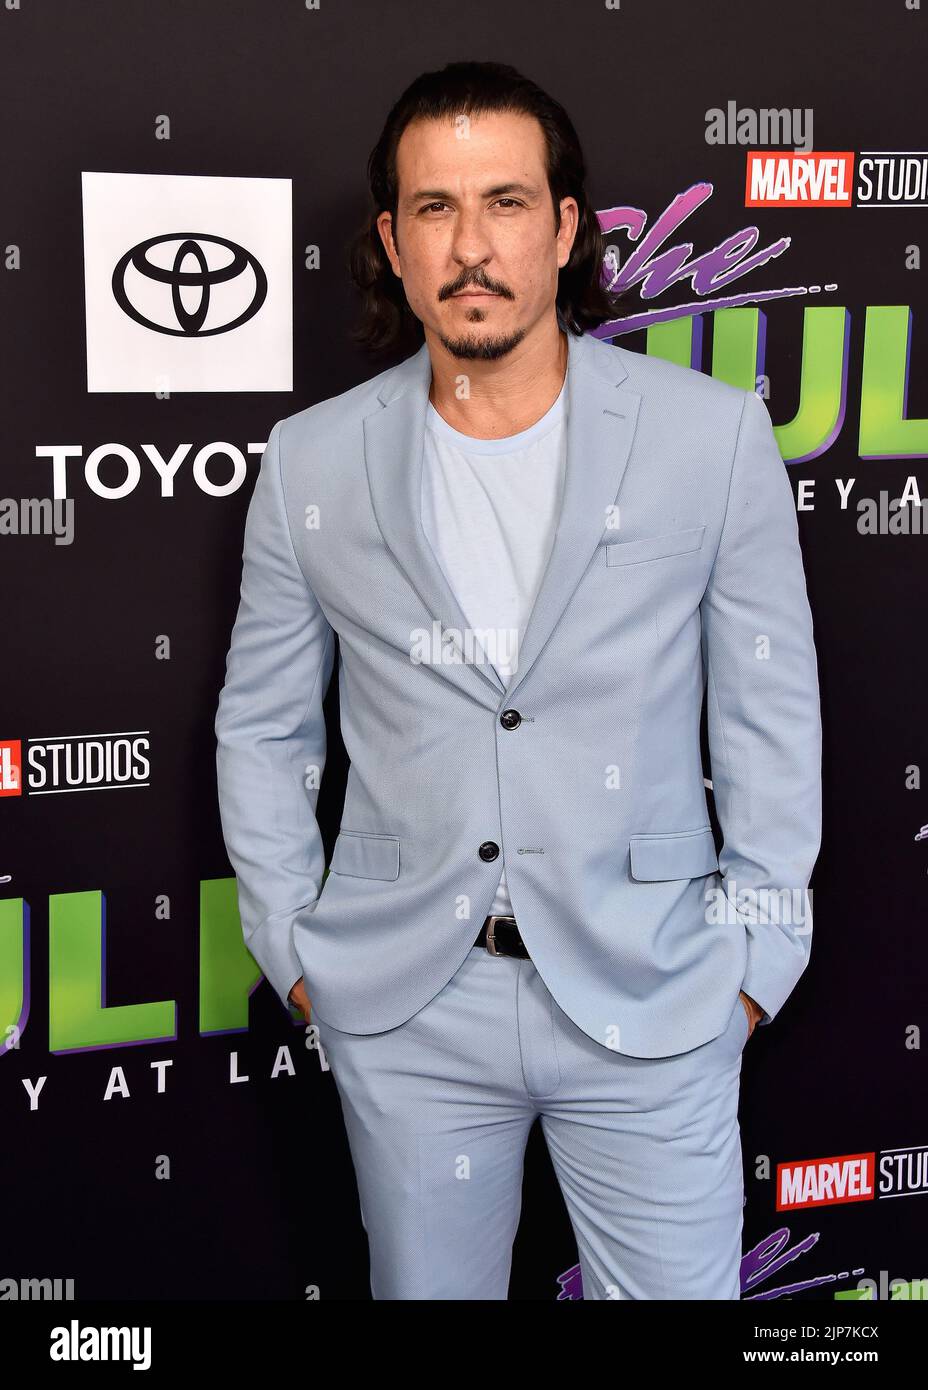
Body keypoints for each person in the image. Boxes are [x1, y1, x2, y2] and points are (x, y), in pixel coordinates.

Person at [214, 60, 822, 1300]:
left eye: (503, 202)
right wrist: (294, 953)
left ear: (563, 228)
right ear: (390, 240)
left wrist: (754, 969)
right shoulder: (310, 460)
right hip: (407, 1010)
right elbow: (265, 727)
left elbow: (770, 713)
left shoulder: (711, 438)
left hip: (656, 994)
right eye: (434, 209)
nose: (471, 247)